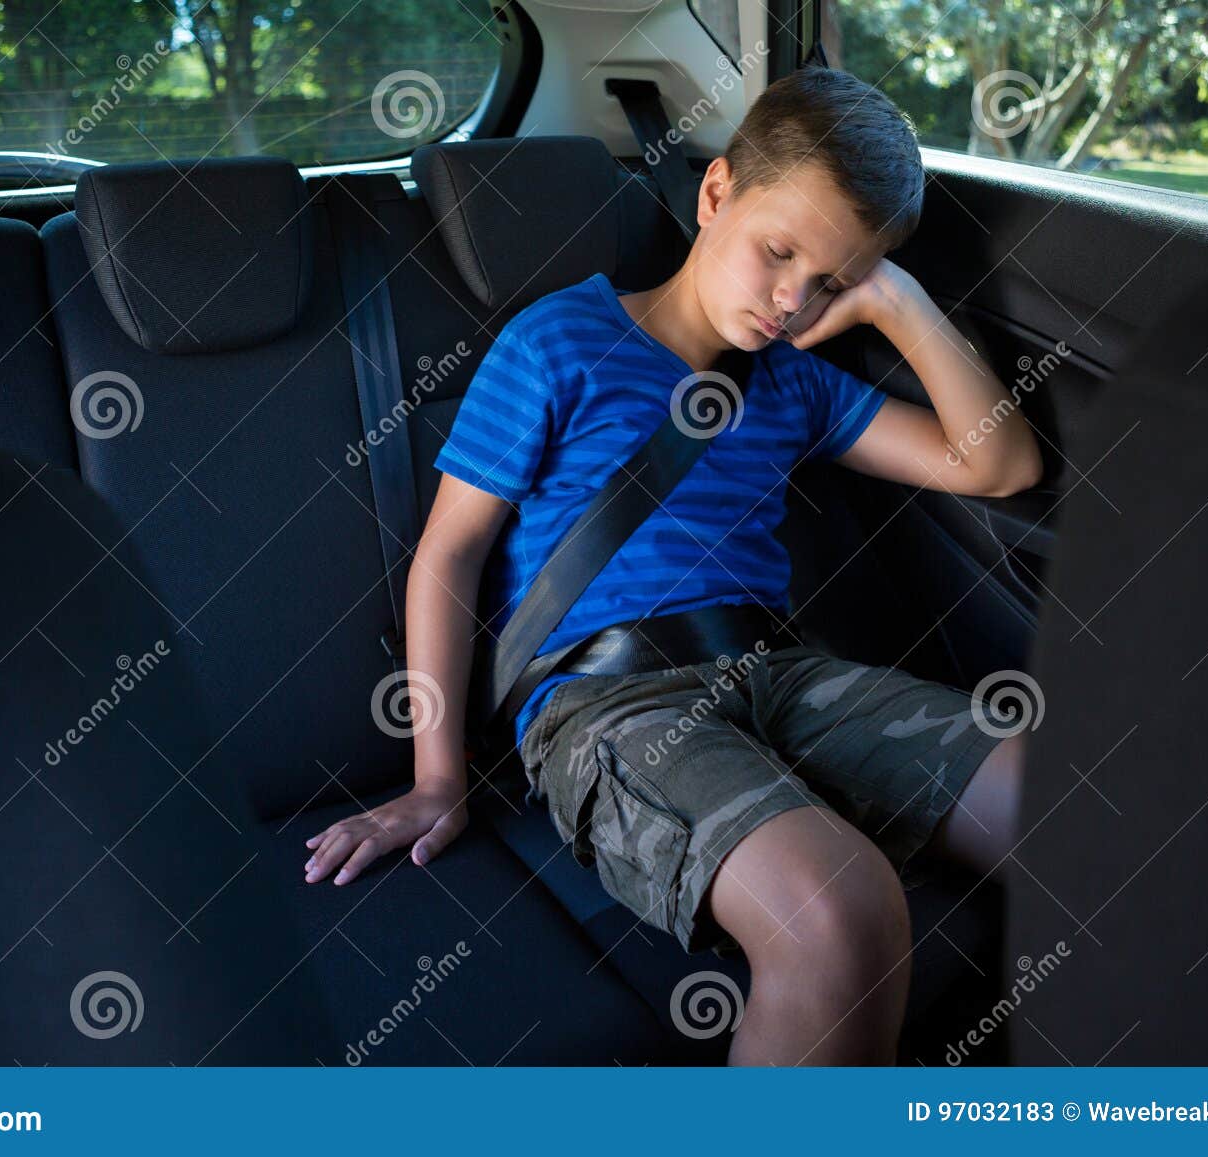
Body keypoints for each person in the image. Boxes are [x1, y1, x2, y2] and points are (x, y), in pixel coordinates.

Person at [302, 67, 1043, 1065]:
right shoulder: (559, 341)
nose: (793, 299)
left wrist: (898, 301)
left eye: (832, 282)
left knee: (1070, 797)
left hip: (780, 676)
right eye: (778, 252)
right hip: (608, 705)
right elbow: (450, 552)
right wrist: (437, 778)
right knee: (841, 910)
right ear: (715, 192)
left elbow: (999, 462)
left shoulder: (795, 384)